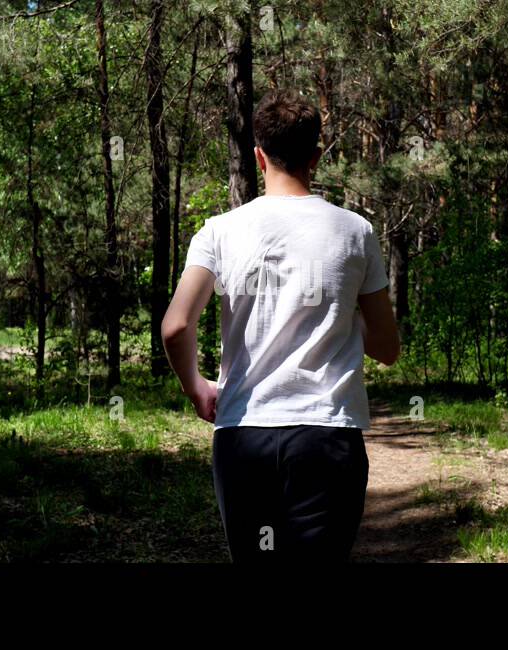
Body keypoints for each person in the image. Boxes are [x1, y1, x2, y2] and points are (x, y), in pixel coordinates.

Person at [161, 89, 400, 562]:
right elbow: (387, 347)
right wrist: (340, 313)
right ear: (315, 157)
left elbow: (175, 326)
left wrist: (196, 387)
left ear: (258, 156)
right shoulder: (356, 232)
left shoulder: (219, 231)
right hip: (327, 435)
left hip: (242, 434)